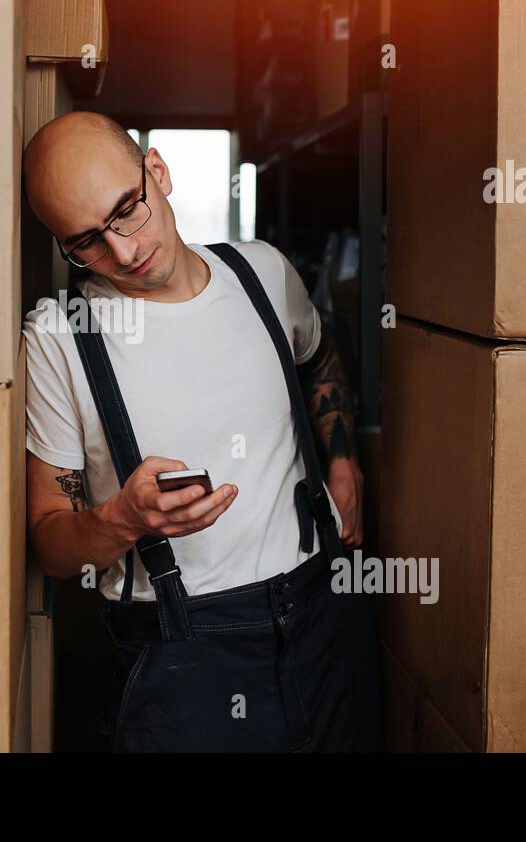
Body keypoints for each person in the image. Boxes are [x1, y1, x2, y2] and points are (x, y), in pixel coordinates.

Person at [21, 111, 381, 752]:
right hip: (185, 665)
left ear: (156, 173)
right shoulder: (59, 338)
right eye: (87, 243)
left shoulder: (263, 273)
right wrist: (122, 521)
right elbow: (50, 543)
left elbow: (319, 355)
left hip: (324, 622)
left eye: (127, 211)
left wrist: (343, 460)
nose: (124, 252)